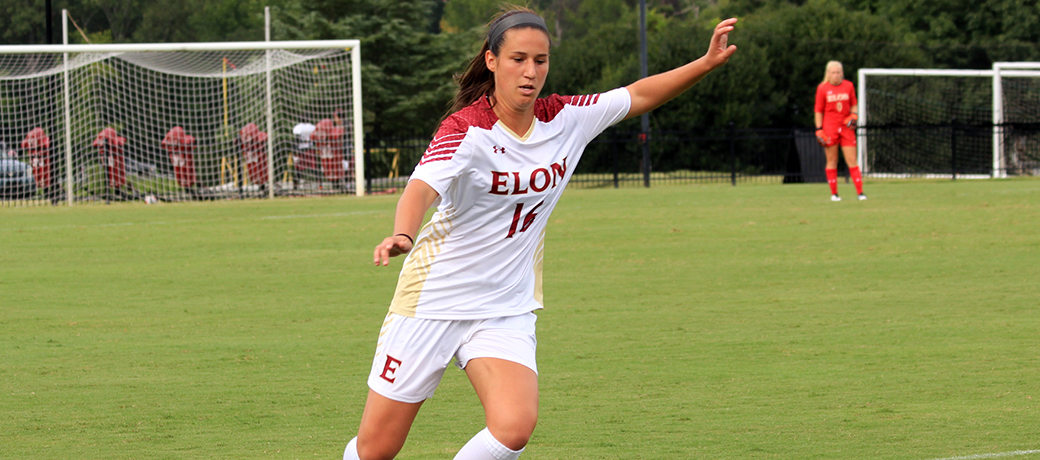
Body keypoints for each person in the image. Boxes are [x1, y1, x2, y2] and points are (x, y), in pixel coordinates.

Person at [345, 9, 738, 460]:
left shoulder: (566, 118)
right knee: (377, 450)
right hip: (432, 301)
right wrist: (403, 235)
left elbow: (638, 95)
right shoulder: (466, 130)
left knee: (513, 427)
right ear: (491, 61)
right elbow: (420, 189)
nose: (531, 72)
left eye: (541, 60)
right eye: (518, 59)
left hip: (504, 308)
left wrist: (704, 64)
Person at [814, 60, 866, 201]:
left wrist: (854, 115)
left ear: (842, 73)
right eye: (833, 73)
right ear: (828, 74)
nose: (836, 75)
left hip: (846, 127)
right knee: (832, 160)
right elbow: (818, 110)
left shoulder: (848, 86)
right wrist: (819, 129)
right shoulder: (822, 88)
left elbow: (854, 105)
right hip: (830, 127)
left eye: (838, 72)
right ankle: (834, 194)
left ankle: (860, 193)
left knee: (852, 160)